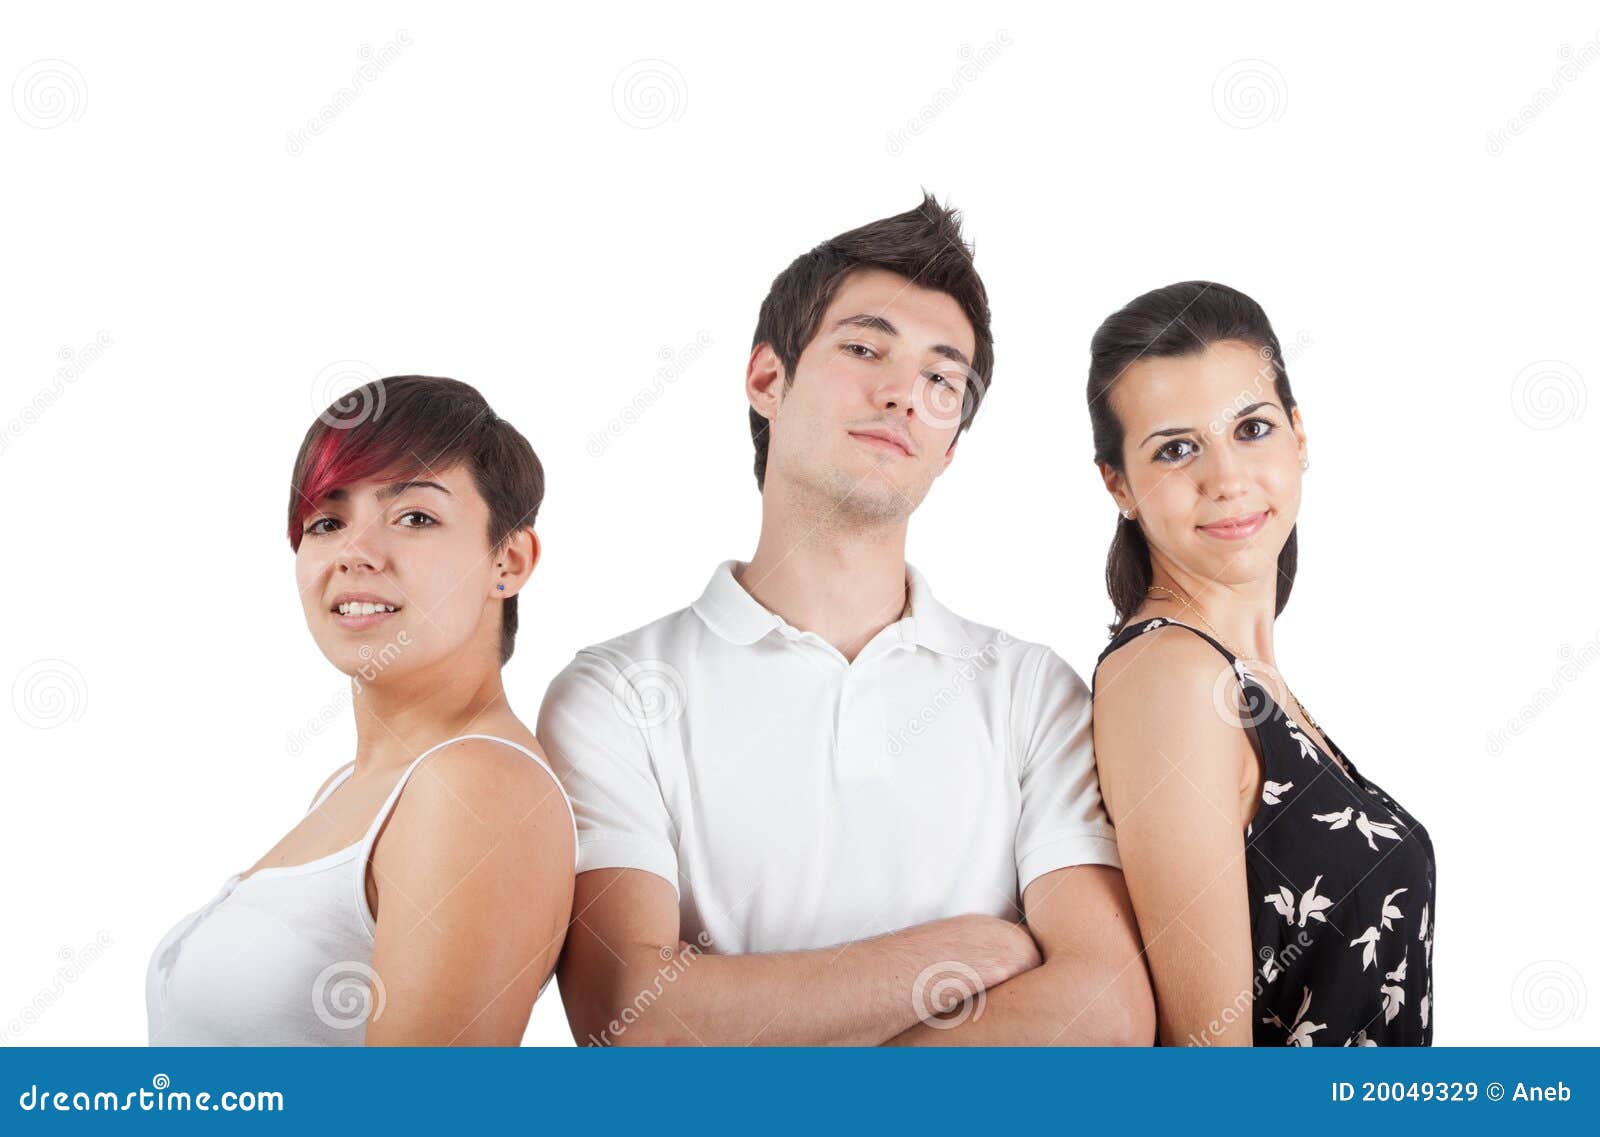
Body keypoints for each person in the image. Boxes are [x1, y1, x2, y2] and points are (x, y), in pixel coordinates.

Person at [539, 195, 1154, 1046]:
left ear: (951, 447)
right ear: (767, 380)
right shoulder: (611, 693)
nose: (904, 393)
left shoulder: (1030, 689)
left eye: (943, 379)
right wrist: (972, 949)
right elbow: (633, 1017)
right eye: (865, 348)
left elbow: (1107, 1010)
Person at [147, 376, 576, 1045]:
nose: (356, 552)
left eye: (415, 517)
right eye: (327, 521)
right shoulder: (347, 788)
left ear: (509, 559)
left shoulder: (476, 786)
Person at [1087, 282, 1435, 1046]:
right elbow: (1210, 1075)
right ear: (1119, 485)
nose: (1227, 478)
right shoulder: (1171, 679)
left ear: (1299, 435)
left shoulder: (1244, 680)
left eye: (1252, 427)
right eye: (1177, 449)